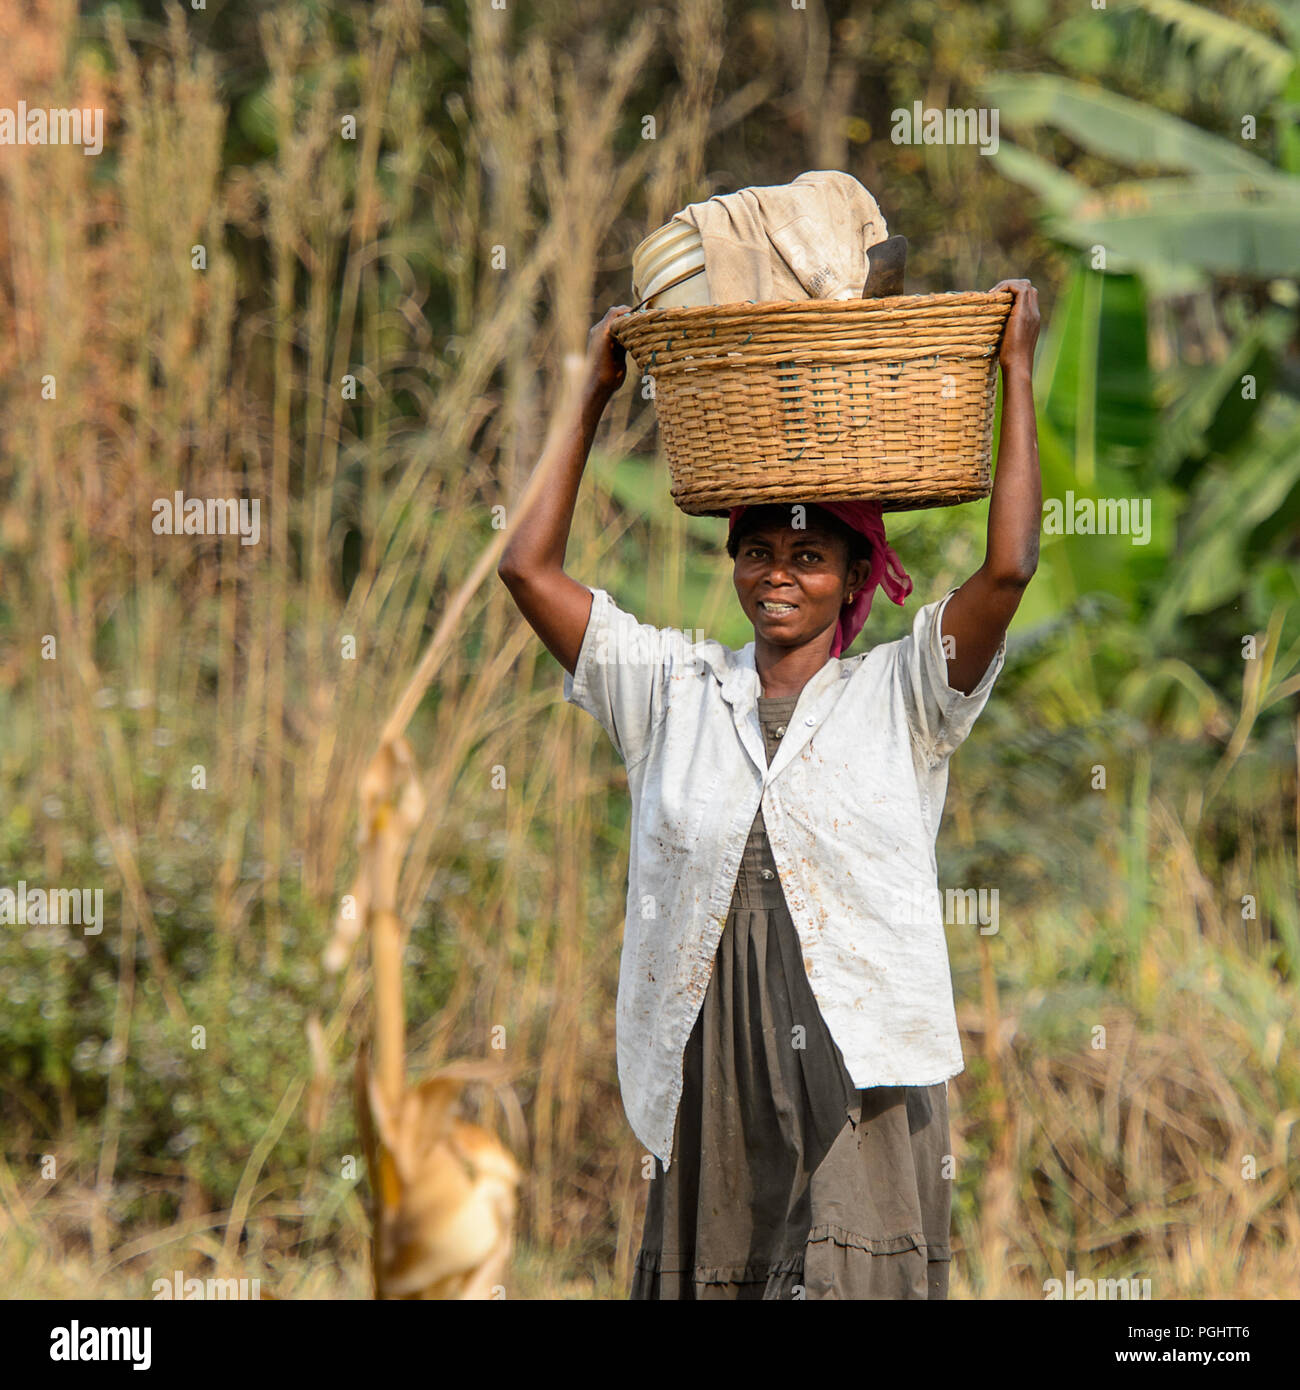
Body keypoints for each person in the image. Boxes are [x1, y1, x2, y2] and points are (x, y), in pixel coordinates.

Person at [497, 279, 1041, 1299]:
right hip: (716, 1065)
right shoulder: (671, 692)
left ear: (854, 575)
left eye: (808, 555)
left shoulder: (902, 694)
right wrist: (588, 395)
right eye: (757, 551)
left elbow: (1006, 571)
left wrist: (1013, 369)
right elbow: (527, 569)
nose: (777, 575)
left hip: (858, 1061)